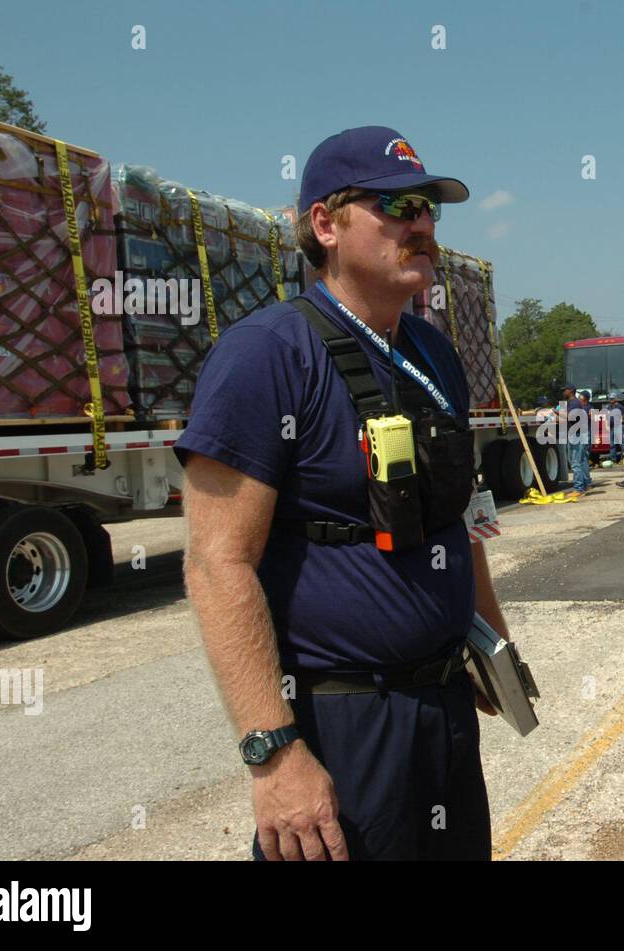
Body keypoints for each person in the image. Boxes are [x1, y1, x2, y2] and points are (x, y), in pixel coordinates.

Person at [178, 126, 506, 861]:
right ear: (326, 223)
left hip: (443, 711)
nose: (421, 223)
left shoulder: (434, 354)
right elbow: (215, 562)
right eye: (398, 205)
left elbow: (453, 519)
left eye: (429, 208)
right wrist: (273, 752)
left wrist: (491, 641)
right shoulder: (267, 353)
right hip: (342, 724)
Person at [560, 383, 591, 499]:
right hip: (577, 433)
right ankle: (585, 484)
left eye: (565, 390)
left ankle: (578, 488)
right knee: (581, 460)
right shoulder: (574, 403)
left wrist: (557, 413)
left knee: (575, 462)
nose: (563, 392)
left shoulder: (574, 403)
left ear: (571, 391)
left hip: (577, 435)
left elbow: (571, 417)